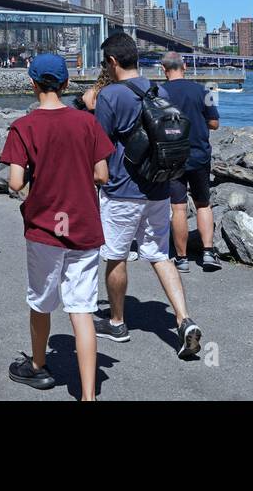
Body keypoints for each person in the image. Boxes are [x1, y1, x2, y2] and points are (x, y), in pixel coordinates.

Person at [1, 53, 112, 399]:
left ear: (31, 84)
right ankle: (89, 395)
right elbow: (102, 175)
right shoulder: (87, 123)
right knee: (81, 309)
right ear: (66, 84)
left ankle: (37, 367)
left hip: (45, 228)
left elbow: (16, 183)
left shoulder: (23, 126)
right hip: (84, 226)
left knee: (41, 302)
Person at [92, 33, 202, 360]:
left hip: (121, 191)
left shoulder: (109, 96)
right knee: (159, 255)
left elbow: (99, 148)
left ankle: (117, 321)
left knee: (116, 255)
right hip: (159, 187)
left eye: (105, 63)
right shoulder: (159, 89)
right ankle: (183, 319)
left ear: (112, 62)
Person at [158, 53, 223, 272]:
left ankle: (182, 258)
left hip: (172, 158)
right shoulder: (205, 91)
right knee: (203, 204)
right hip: (199, 155)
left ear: (163, 69)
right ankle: (208, 253)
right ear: (185, 66)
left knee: (178, 207)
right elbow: (214, 123)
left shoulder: (158, 93)